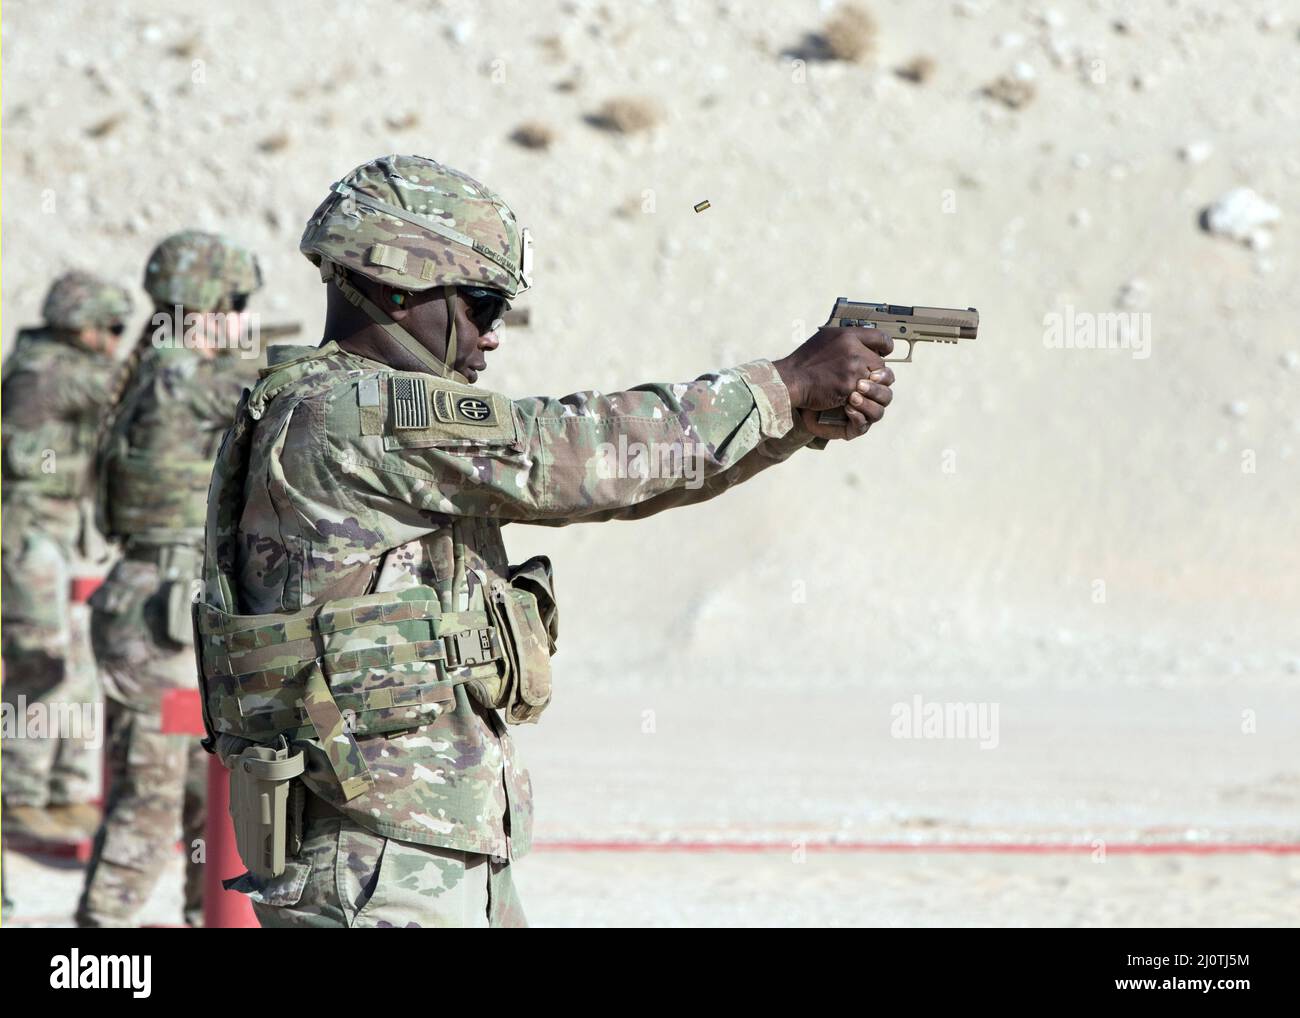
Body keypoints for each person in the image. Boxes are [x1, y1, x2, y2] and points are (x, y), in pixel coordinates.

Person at [195, 154, 894, 928]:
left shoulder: (332, 408)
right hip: (379, 860)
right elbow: (571, 454)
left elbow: (621, 482)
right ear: (399, 285)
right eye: (485, 306)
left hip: (410, 841)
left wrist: (791, 423)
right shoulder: (359, 413)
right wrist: (784, 384)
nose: (493, 339)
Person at [76, 231, 264, 927]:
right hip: (155, 609)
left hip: (157, 602)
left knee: (197, 791)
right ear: (208, 303)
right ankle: (100, 940)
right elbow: (280, 389)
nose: (244, 316)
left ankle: (201, 914)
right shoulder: (180, 376)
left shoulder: (157, 370)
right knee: (152, 798)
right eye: (238, 303)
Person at [2, 270, 131, 844]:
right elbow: (124, 388)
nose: (115, 339)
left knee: (78, 667)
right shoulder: (47, 368)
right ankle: (19, 795)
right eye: (112, 328)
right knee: (41, 661)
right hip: (28, 533)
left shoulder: (56, 364)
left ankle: (64, 790)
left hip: (56, 532)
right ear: (83, 327)